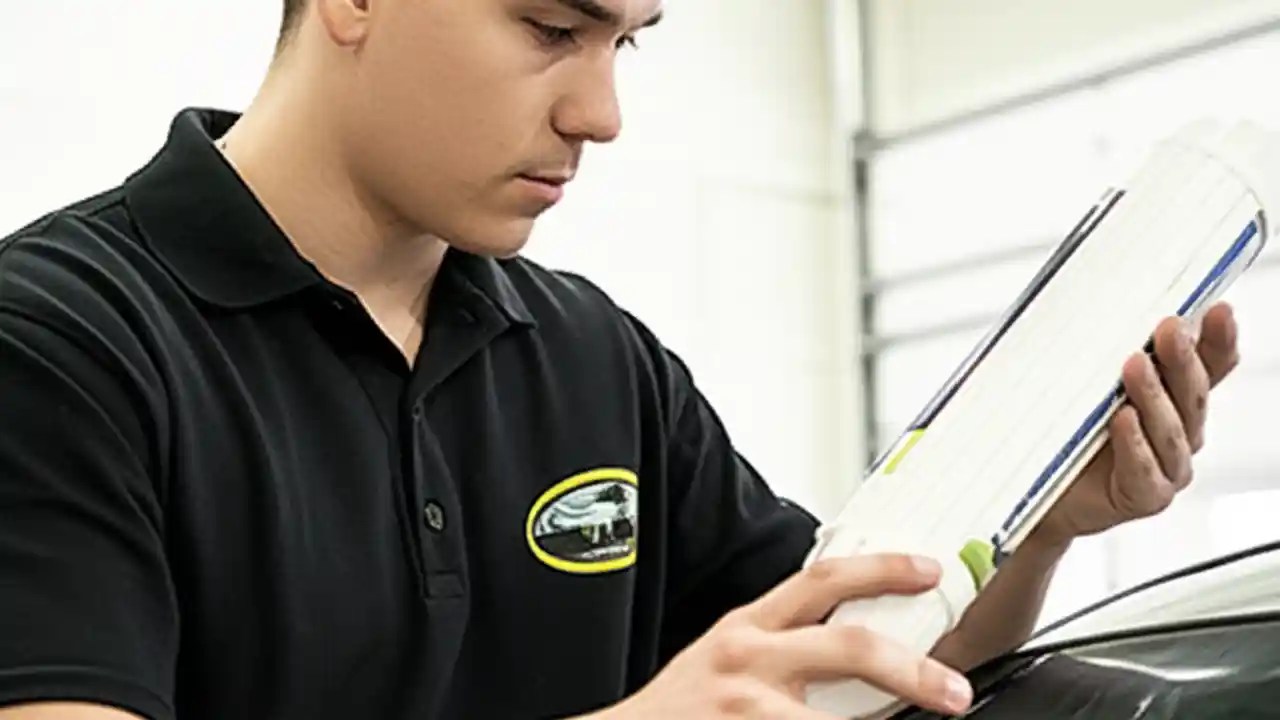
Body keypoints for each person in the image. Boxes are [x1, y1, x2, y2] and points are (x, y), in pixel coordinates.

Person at [0, 1, 1242, 719]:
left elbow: (857, 667)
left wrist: (1038, 516)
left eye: (626, 41)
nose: (599, 114)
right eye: (551, 26)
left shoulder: (597, 360)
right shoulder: (56, 344)